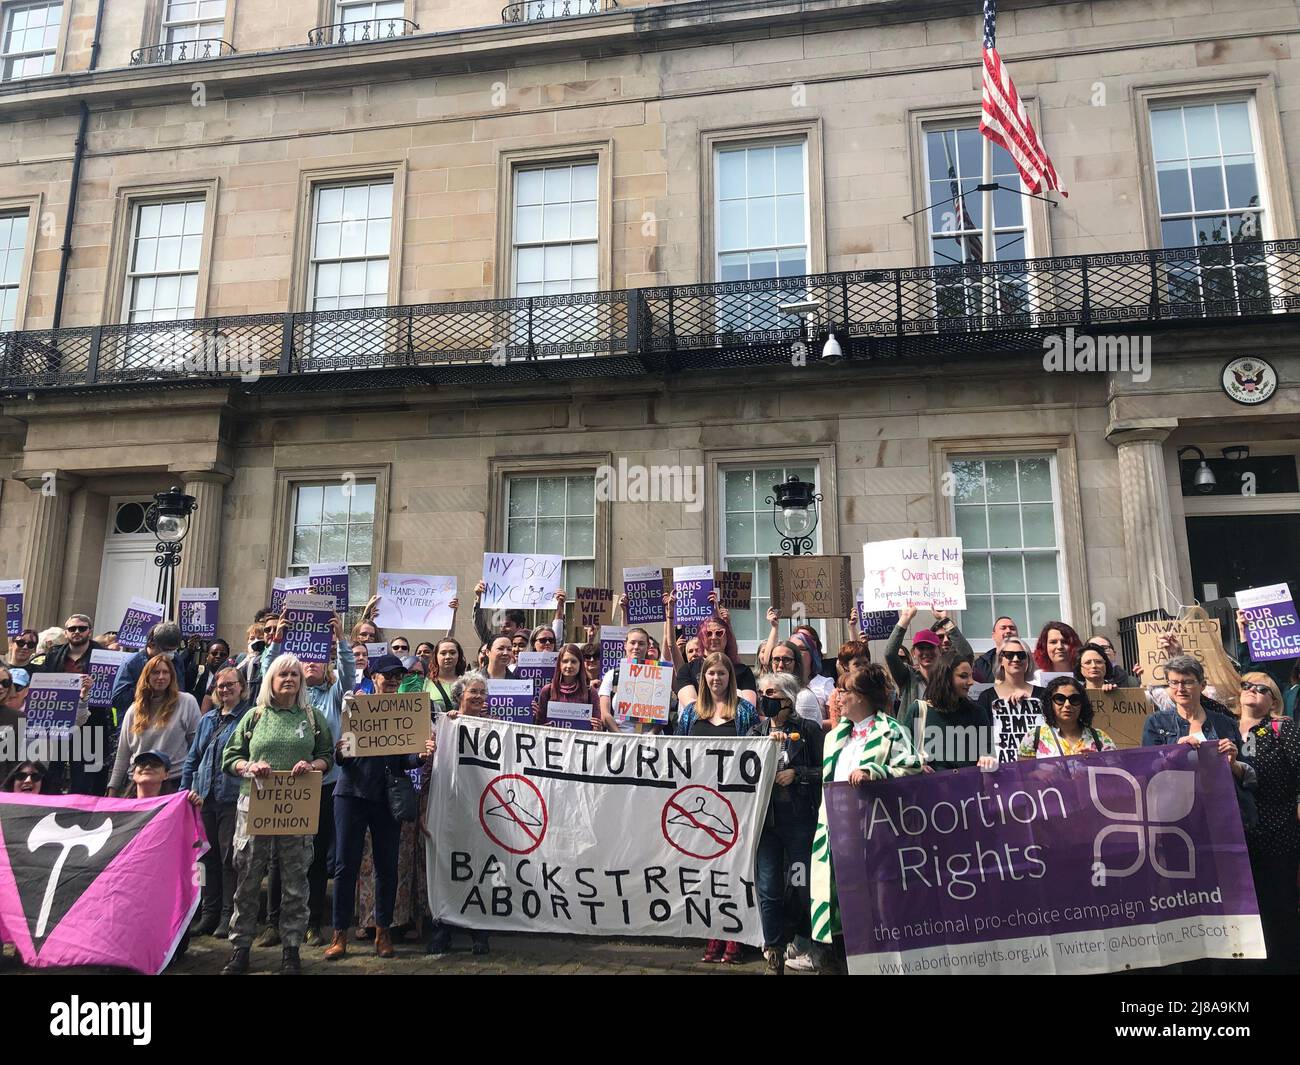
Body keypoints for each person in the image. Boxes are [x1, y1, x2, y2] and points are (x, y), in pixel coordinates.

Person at [220, 653, 335, 975]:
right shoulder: (255, 716)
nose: (288, 680)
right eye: (282, 674)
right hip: (254, 806)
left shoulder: (312, 718)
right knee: (248, 879)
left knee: (295, 881)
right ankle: (240, 948)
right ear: (270, 679)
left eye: (294, 676)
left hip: (296, 807)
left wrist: (313, 766)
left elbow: (327, 755)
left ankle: (291, 949)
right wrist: (248, 766)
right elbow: (230, 757)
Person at [811, 664, 923, 960]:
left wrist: (876, 770)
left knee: (883, 909)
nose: (837, 697)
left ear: (861, 696)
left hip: (878, 837)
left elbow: (913, 771)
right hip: (839, 834)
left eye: (844, 690)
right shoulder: (834, 738)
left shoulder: (892, 730)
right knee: (845, 909)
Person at [325, 654, 434, 961]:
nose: (394, 681)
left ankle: (382, 931)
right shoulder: (357, 707)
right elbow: (341, 759)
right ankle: (339, 934)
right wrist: (342, 748)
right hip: (352, 794)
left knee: (387, 867)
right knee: (346, 866)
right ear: (374, 677)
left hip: (387, 798)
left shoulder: (403, 713)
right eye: (388, 675)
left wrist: (421, 756)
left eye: (398, 676)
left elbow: (405, 760)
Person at [257, 614, 354, 947]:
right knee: (277, 857)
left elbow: (350, 674)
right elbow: (264, 676)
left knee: (310, 855)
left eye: (318, 659)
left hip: (324, 785)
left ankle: (312, 922)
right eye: (304, 661)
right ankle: (273, 923)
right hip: (281, 785)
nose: (311, 664)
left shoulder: (332, 695)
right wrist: (276, 643)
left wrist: (341, 641)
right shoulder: (286, 696)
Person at [677, 652, 755, 964]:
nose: (716, 679)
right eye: (711, 674)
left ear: (730, 677)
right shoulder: (690, 714)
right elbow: (678, 753)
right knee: (707, 873)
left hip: (737, 804)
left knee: (734, 872)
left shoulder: (745, 711)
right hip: (700, 805)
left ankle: (734, 938)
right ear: (703, 678)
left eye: (722, 674)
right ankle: (712, 934)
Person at [749, 672, 823, 975]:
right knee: (768, 886)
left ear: (788, 699)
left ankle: (805, 941)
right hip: (767, 822)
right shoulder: (755, 731)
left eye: (773, 694)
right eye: (763, 693)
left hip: (799, 820)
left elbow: (824, 770)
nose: (766, 698)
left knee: (801, 884)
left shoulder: (808, 730)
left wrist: (798, 773)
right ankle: (774, 950)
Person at [181, 666, 252, 939]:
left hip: (231, 796)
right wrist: (184, 790)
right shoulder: (208, 718)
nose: (225, 690)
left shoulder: (248, 717)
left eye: (230, 685)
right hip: (203, 796)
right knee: (205, 857)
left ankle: (227, 914)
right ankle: (208, 911)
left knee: (228, 858)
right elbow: (193, 758)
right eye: (220, 686)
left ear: (241, 687)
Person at [425, 670, 493, 957]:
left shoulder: (495, 727)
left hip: (482, 809)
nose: (478, 696)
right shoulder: (444, 725)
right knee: (447, 865)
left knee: (479, 867)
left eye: (482, 692)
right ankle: (443, 927)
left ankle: (479, 930)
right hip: (449, 806)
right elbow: (429, 766)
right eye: (473, 692)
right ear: (460, 695)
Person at [1236, 672, 1300, 973]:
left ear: (1274, 700)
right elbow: (1189, 692)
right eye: (1245, 685)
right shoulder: (1221, 725)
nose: (1251, 691)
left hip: (1278, 831)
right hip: (1237, 835)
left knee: (1279, 908)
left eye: (1261, 689)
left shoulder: (1281, 729)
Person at [1141, 655, 1250, 786]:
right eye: (1174, 683)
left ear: (1202, 685)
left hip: (1222, 801)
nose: (1180, 689)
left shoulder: (1225, 723)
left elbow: (1250, 778)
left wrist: (1233, 764)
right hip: (1180, 802)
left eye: (1187, 682)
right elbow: (1148, 771)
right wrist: (1173, 754)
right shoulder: (1156, 722)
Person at [107, 654, 201, 796]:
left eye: (165, 672)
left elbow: (197, 748)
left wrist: (194, 786)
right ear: (147, 676)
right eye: (156, 672)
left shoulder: (187, 702)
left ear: (172, 676)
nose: (161, 677)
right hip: (138, 785)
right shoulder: (134, 710)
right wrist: (112, 791)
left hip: (174, 785)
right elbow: (123, 754)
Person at [900, 653, 996, 771]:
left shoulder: (977, 713)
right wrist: (917, 767)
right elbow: (900, 756)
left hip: (969, 787)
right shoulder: (918, 711)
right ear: (946, 678)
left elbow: (989, 754)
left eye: (971, 676)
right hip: (929, 787)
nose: (971, 682)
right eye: (963, 676)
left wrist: (987, 759)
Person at [883, 606, 973, 715]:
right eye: (921, 648)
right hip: (913, 731)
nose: (926, 652)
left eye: (930, 647)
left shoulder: (948, 675)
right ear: (913, 653)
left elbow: (966, 654)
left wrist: (945, 620)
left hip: (942, 730)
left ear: (939, 650)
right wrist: (905, 618)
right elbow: (890, 654)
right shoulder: (908, 676)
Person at [111, 622, 199, 720]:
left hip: (169, 722)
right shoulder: (132, 664)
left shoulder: (176, 660)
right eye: (166, 650)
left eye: (173, 650)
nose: (170, 654)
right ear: (151, 644)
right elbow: (118, 699)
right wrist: (149, 687)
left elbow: (180, 689)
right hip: (139, 723)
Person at [976, 636, 1044, 763]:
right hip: (1001, 771)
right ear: (1001, 660)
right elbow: (981, 735)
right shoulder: (987, 697)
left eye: (1021, 655)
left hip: (1040, 769)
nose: (1016, 659)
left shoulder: (1043, 694)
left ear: (1028, 660)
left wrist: (1032, 700)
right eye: (1009, 655)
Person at [673, 605, 757, 707]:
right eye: (708, 633)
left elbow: (749, 706)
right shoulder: (687, 670)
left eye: (719, 633)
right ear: (701, 638)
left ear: (727, 637)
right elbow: (690, 706)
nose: (714, 637)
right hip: (700, 722)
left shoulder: (743, 671)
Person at [1017, 677, 1115, 758]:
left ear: (1082, 704)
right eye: (1060, 699)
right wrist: (1038, 774)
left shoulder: (1100, 738)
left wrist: (1098, 762)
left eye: (1074, 699)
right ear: (1049, 703)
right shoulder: (1033, 737)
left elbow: (1117, 775)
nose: (1067, 705)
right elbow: (1022, 776)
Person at [597, 627, 664, 734]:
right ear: (625, 645)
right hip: (619, 741)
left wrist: (650, 736)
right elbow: (605, 714)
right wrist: (622, 738)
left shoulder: (660, 674)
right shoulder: (612, 675)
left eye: (641, 644)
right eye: (632, 643)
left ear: (647, 647)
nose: (636, 647)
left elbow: (663, 713)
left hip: (650, 742)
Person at [535, 643, 600, 726]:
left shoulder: (590, 692)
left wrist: (597, 727)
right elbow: (538, 725)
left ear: (580, 664)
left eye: (573, 662)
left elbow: (596, 729)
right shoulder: (547, 690)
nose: (569, 666)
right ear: (559, 664)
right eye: (565, 661)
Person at [767, 639, 824, 725]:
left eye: (787, 660)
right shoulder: (769, 694)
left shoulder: (804, 697)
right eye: (776, 659)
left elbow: (805, 733)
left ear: (797, 664)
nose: (781, 665)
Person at [826, 640, 871, 730]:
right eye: (857, 664)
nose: (862, 668)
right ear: (846, 666)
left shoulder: (878, 687)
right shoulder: (837, 695)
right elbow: (836, 726)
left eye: (865, 663)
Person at [424, 637, 467, 715]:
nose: (448, 657)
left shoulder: (467, 682)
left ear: (459, 655)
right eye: (443, 653)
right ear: (436, 657)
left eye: (452, 652)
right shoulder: (425, 683)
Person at [973, 616, 1019, 683]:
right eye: (1003, 628)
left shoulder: (1029, 661)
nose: (1008, 631)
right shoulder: (981, 664)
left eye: (1012, 628)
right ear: (993, 635)